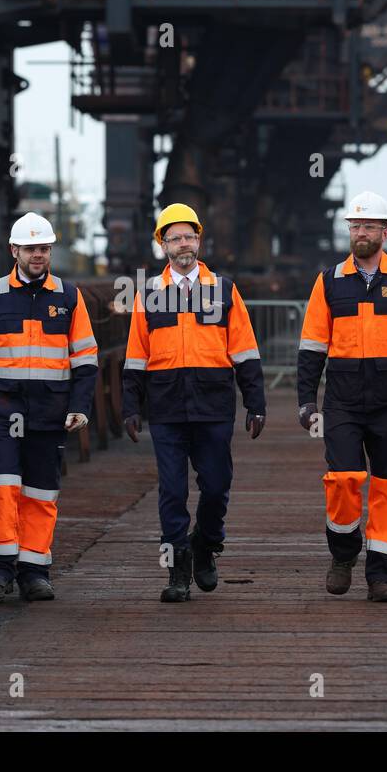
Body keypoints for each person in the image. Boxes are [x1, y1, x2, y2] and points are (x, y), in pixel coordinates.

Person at [297, 191, 387, 602]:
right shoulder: (329, 282)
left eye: (369, 227)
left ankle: (382, 575)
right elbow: (311, 346)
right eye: (355, 227)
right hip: (341, 401)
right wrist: (306, 400)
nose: (361, 233)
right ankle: (343, 554)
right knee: (343, 479)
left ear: (386, 231)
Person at [122, 203, 267, 603]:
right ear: (162, 245)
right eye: (175, 238)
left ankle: (206, 543)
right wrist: (130, 407)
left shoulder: (223, 290)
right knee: (171, 490)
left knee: (217, 485)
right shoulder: (149, 293)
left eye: (189, 236)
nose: (183, 244)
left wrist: (256, 403)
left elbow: (244, 350)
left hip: (214, 404)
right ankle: (178, 568)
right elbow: (136, 355)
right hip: (166, 407)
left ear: (199, 241)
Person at [0, 212, 97, 602]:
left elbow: (85, 359)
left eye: (44, 248)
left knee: (41, 493)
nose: (38, 255)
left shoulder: (68, 297)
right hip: (2, 408)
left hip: (50, 412)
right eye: (31, 248)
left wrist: (81, 405)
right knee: (0, 487)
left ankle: (34, 572)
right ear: (14, 250)